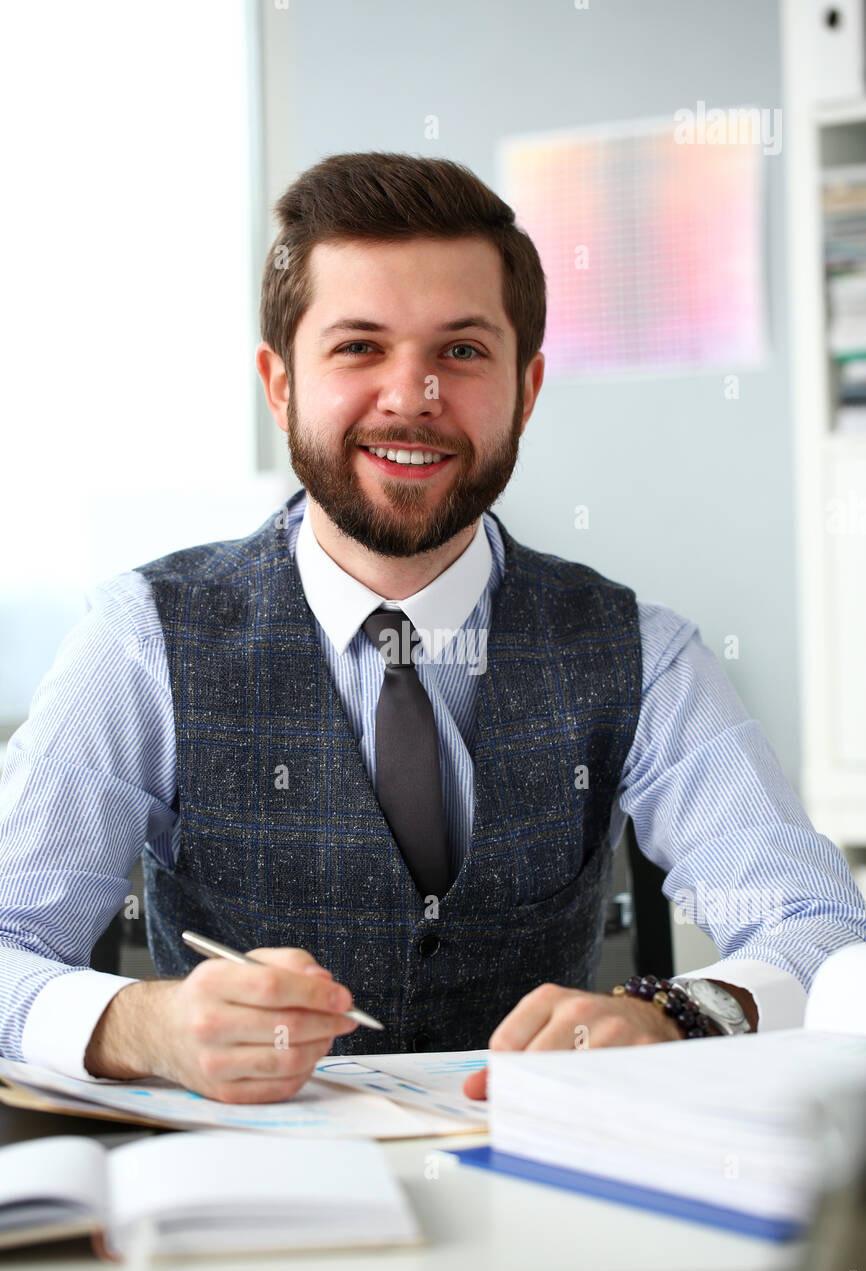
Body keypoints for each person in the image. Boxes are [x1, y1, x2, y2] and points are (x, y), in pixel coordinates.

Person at [1, 153, 864, 1108]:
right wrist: (142, 1024)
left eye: (460, 351)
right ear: (280, 384)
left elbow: (821, 926)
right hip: (232, 1210)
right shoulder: (141, 642)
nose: (411, 396)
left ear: (526, 389)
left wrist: (678, 1014)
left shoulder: (646, 654)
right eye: (359, 347)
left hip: (554, 1198)